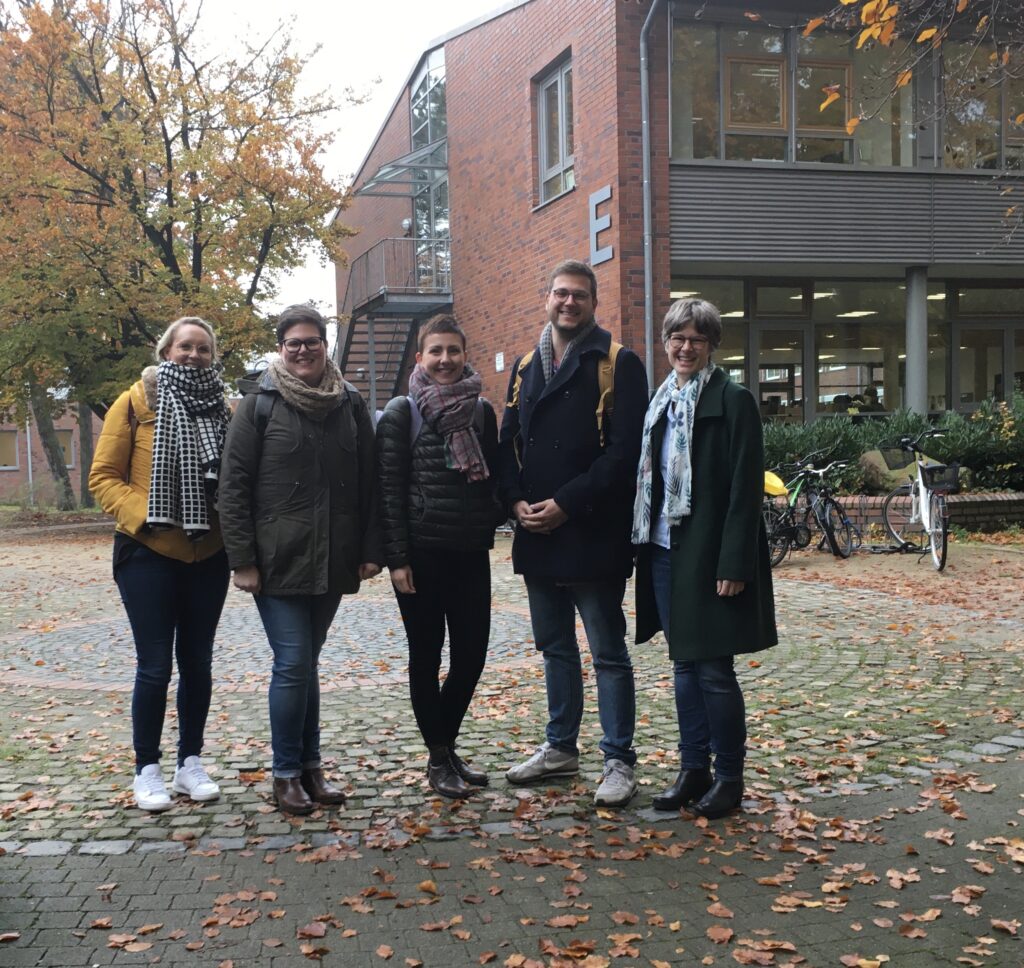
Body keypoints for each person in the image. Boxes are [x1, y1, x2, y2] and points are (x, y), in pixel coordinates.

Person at [219, 305, 382, 816]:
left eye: (312, 341)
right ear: (281, 348)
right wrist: (242, 560)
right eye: (294, 343)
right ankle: (286, 773)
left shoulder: (349, 402)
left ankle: (311, 769)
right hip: (277, 561)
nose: (304, 350)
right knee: (292, 664)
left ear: (324, 344)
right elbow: (233, 484)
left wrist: (371, 550)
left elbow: (370, 481)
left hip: (333, 558)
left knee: (306, 664)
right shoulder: (259, 403)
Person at [498, 259, 648, 806]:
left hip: (591, 533)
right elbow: (507, 441)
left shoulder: (618, 362)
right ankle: (560, 747)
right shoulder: (523, 367)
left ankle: (618, 760)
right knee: (555, 649)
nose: (568, 303)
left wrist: (566, 503)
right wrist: (513, 501)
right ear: (546, 299)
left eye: (579, 296)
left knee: (608, 653)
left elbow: (626, 455)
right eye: (560, 294)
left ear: (593, 303)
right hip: (536, 531)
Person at [632, 298, 778, 819]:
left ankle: (729, 777)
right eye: (677, 337)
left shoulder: (733, 399)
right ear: (666, 342)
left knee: (715, 671)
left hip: (711, 556)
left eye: (696, 338)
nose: (685, 347)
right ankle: (693, 770)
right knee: (683, 667)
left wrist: (734, 563)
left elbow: (745, 489)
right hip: (666, 552)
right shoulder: (662, 400)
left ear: (712, 344)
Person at [90, 316, 231, 812]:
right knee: (154, 666)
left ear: (213, 357)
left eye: (203, 349)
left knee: (198, 663)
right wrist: (148, 519)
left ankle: (189, 763)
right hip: (146, 552)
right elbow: (103, 477)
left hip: (209, 553)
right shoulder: (135, 401)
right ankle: (146, 769)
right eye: (185, 347)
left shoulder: (223, 410)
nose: (194, 355)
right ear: (166, 351)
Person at [376, 314, 505, 799]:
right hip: (422, 558)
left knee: (471, 656)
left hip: (470, 553)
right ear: (420, 359)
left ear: (465, 354)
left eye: (453, 351)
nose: (445, 360)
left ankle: (444, 745)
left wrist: (490, 517)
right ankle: (438, 757)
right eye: (436, 351)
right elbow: (388, 492)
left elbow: (491, 477)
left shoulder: (481, 412)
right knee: (426, 657)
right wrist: (398, 560)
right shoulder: (400, 413)